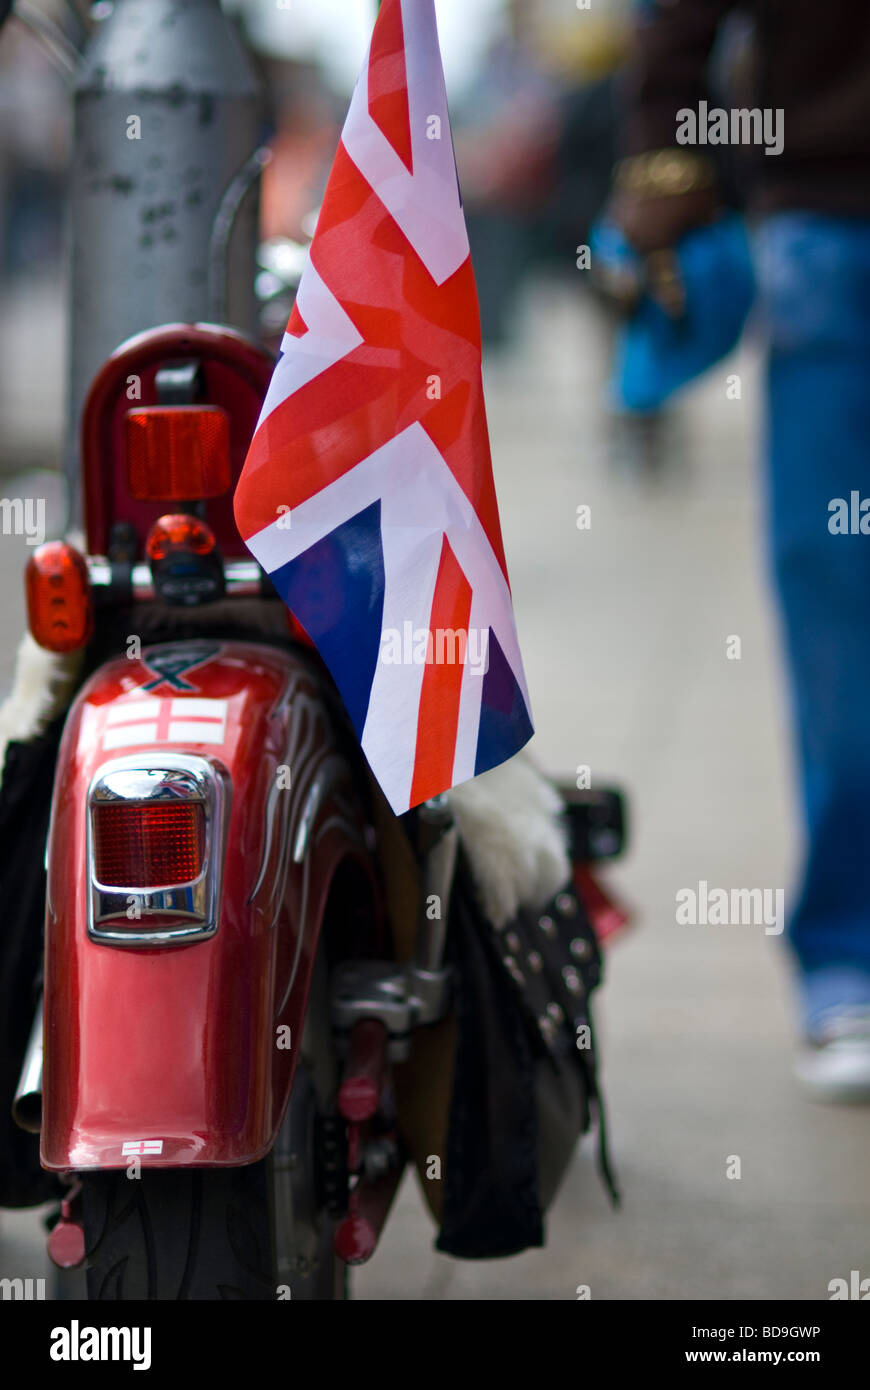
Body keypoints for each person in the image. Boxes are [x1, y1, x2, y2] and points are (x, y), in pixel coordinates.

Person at [605, 0, 870, 1099]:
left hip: (820, 223)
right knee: (842, 611)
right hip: (830, 218)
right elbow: (676, 27)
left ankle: (849, 962)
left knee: (841, 606)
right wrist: (669, 176)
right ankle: (851, 957)